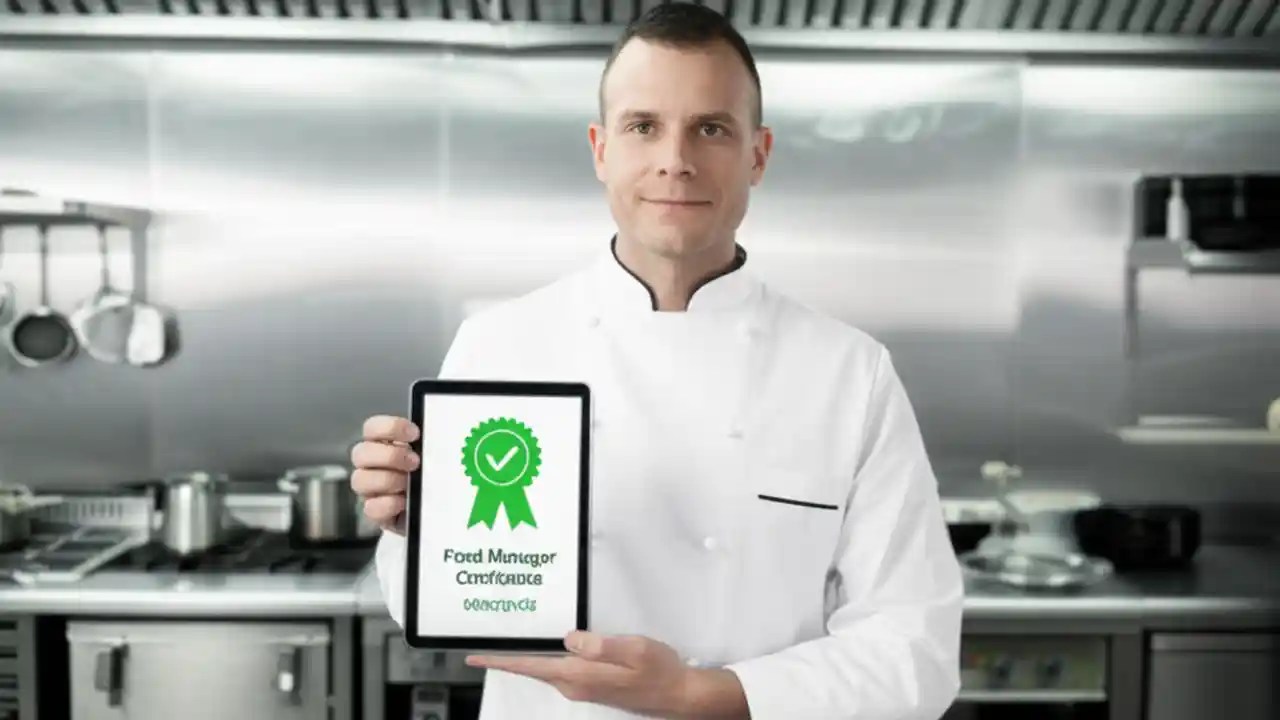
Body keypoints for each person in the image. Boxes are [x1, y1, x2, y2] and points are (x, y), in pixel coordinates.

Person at [350, 3, 964, 718]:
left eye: (711, 128)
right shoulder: (500, 343)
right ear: (601, 148)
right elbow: (428, 602)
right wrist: (413, 528)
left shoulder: (850, 373)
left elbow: (912, 648)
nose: (676, 158)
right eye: (643, 126)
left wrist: (695, 694)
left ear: (758, 154)